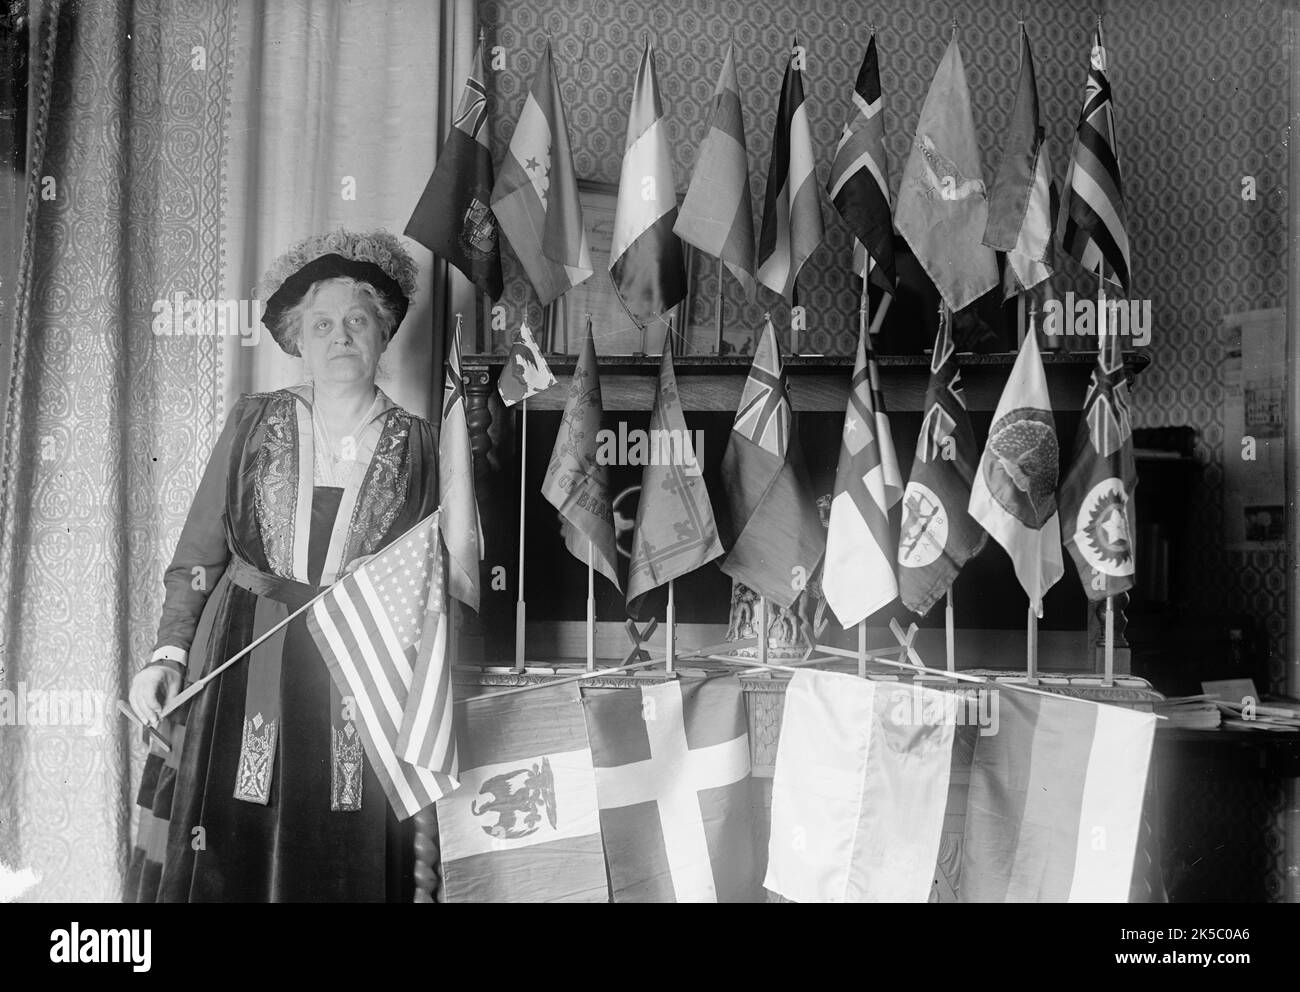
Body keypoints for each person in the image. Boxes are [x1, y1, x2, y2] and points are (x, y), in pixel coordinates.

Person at [125, 229, 436, 902]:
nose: (340, 336)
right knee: (227, 837)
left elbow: (438, 580)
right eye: (321, 324)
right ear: (297, 338)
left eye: (358, 321)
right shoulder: (253, 420)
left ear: (384, 335)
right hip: (243, 652)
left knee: (344, 839)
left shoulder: (422, 444)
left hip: (359, 667)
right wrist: (168, 653)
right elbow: (198, 554)